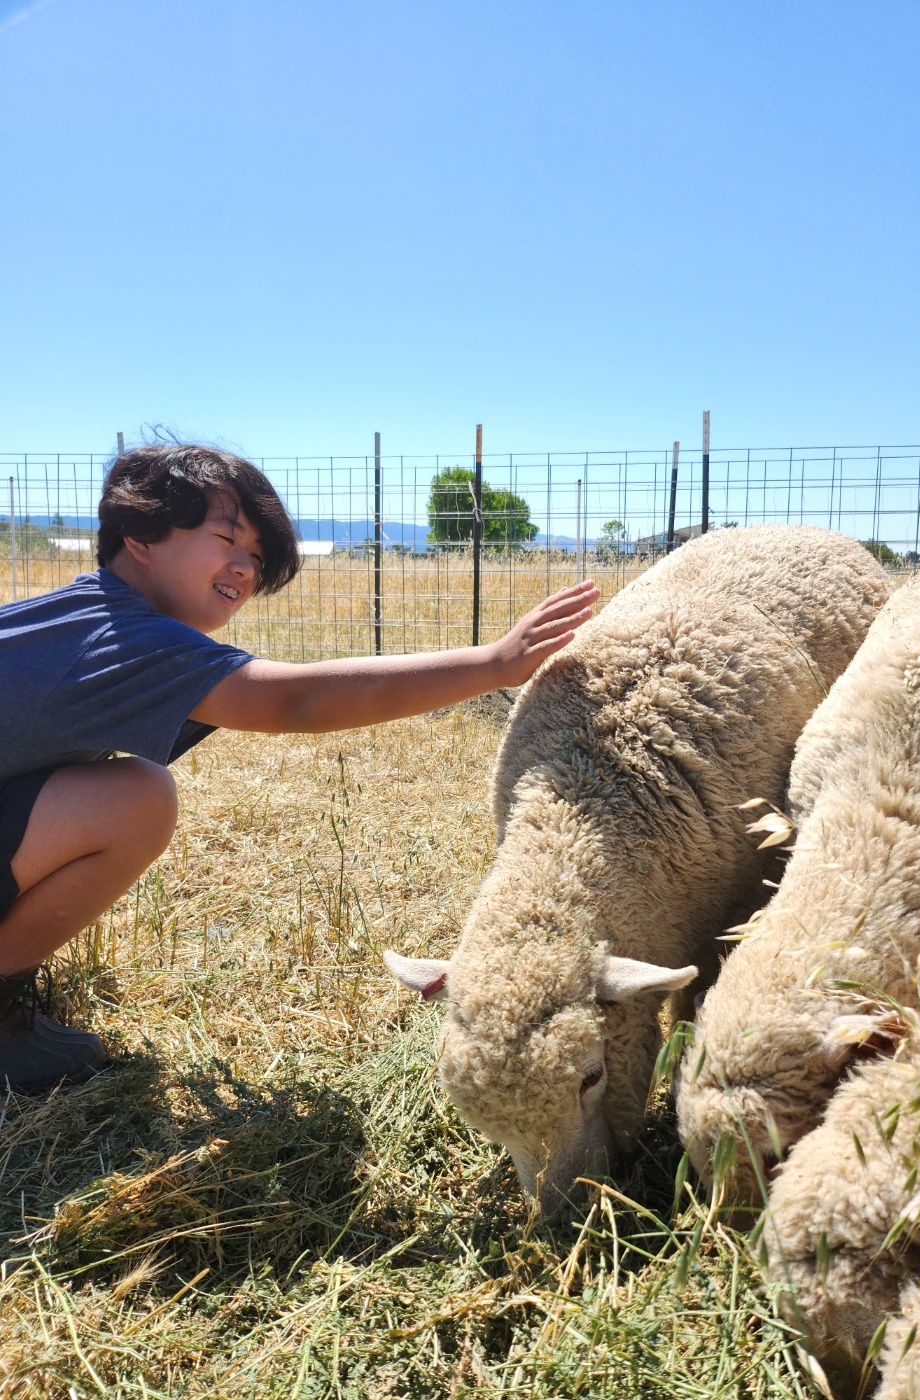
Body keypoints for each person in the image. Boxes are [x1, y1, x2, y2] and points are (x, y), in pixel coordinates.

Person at [0, 443, 598, 1093]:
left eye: (256, 557)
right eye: (226, 538)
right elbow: (297, 698)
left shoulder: (82, 613)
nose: (244, 567)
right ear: (139, 537)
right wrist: (496, 664)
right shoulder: (126, 637)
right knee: (137, 800)